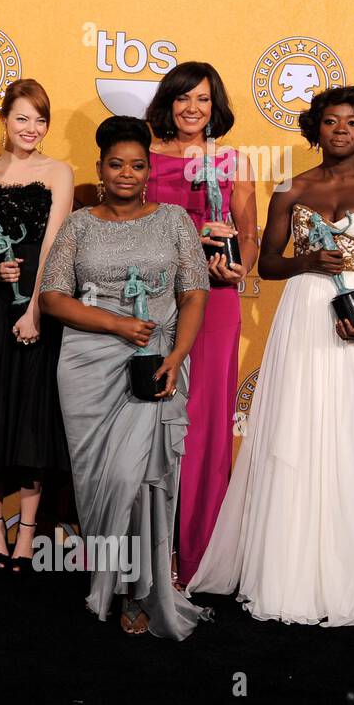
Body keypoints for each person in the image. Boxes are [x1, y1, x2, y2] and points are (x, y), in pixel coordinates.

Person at [188, 86, 354, 626]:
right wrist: (307, 260)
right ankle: (286, 577)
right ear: (316, 128)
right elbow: (266, 265)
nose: (341, 130)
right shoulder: (292, 188)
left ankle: (340, 578)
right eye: (331, 121)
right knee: (297, 436)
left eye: (353, 123)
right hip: (305, 315)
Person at [39, 115, 211, 638]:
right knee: (99, 482)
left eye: (138, 165)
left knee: (140, 482)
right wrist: (116, 323)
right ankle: (108, 580)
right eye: (116, 164)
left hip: (155, 361)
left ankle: (142, 589)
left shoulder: (176, 221)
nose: (127, 174)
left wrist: (177, 356)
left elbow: (193, 292)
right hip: (88, 364)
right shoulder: (79, 223)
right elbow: (51, 298)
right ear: (101, 168)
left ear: (149, 170)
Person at [145, 61, 258, 588]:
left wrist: (237, 265)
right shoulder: (141, 160)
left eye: (204, 100)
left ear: (217, 107)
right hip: (154, 300)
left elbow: (249, 238)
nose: (193, 108)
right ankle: (151, 553)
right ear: (168, 102)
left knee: (205, 424)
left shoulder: (234, 161)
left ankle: (199, 557)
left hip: (214, 302)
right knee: (148, 422)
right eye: (184, 97)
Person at [0, 79, 74, 574]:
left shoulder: (59, 173)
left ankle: (27, 533)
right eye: (22, 118)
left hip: (35, 300)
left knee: (30, 415)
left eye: (40, 120)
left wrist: (34, 310)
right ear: (4, 119)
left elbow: (54, 246)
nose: (32, 128)